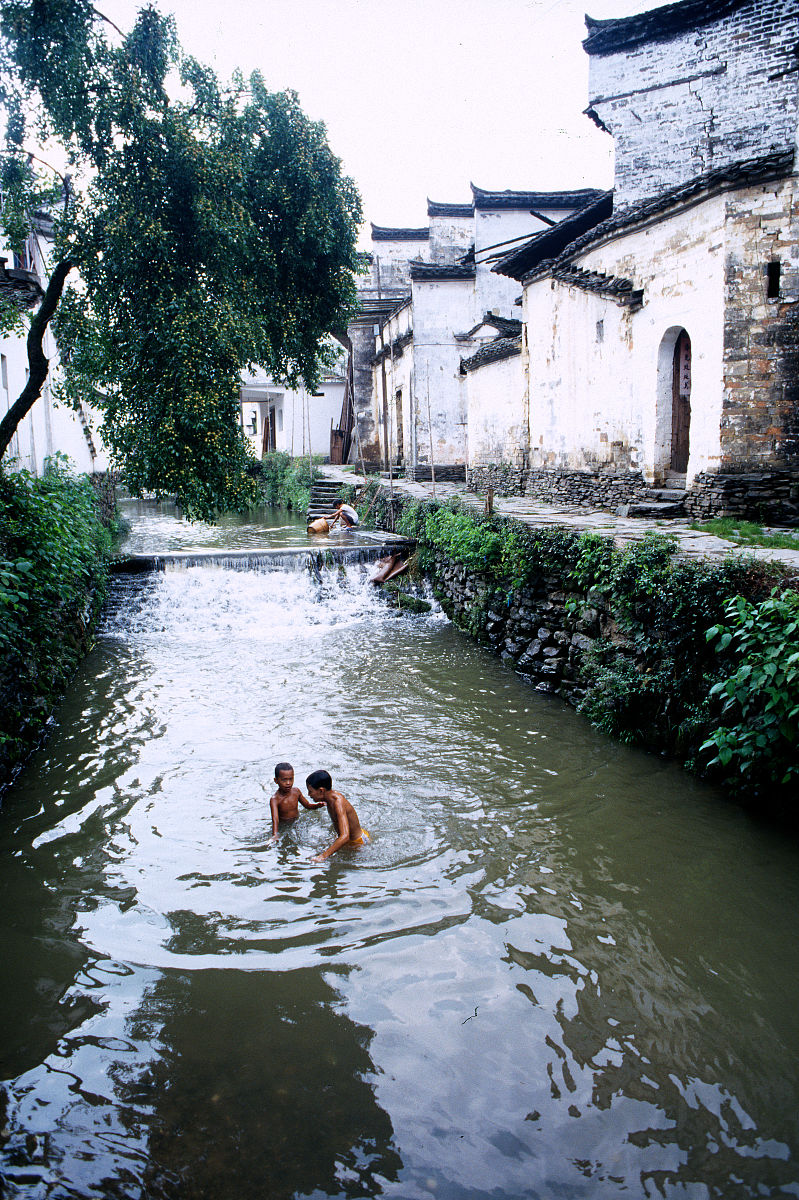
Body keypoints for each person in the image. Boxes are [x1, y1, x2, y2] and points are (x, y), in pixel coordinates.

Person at [306, 769, 369, 861]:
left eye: (310, 791)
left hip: (358, 843)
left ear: (321, 791)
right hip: (348, 839)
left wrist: (322, 857)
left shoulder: (337, 803)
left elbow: (345, 836)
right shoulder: (329, 798)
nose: (309, 795)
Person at [270, 761, 324, 839]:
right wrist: (275, 834)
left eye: (291, 779)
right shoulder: (275, 799)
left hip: (297, 821)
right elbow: (275, 819)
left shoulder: (296, 792)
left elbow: (307, 805)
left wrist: (317, 806)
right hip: (284, 826)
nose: (288, 783)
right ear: (276, 781)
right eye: (284, 780)